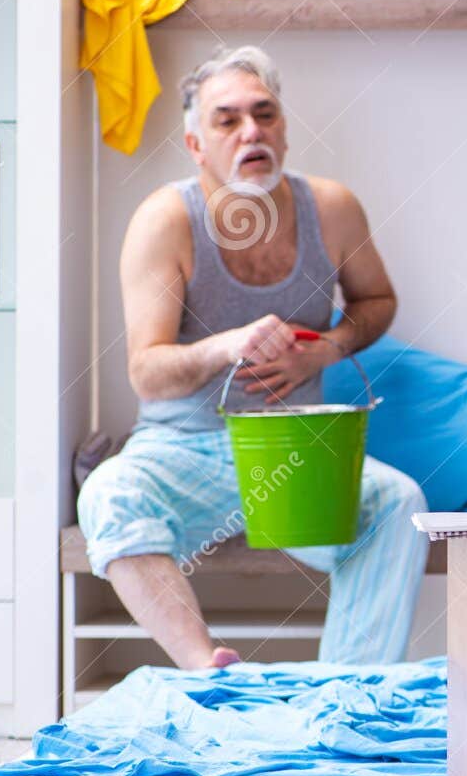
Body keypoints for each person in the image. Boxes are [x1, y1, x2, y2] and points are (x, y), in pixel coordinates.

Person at [77, 46, 426, 668]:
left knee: (399, 502)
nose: (251, 132)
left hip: (299, 453)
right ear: (195, 145)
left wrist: (325, 352)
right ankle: (206, 668)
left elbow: (377, 300)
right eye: (228, 119)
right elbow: (146, 373)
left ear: (284, 131)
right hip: (184, 448)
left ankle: (351, 692)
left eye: (265, 114)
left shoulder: (333, 209)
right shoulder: (165, 221)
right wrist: (226, 345)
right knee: (107, 493)